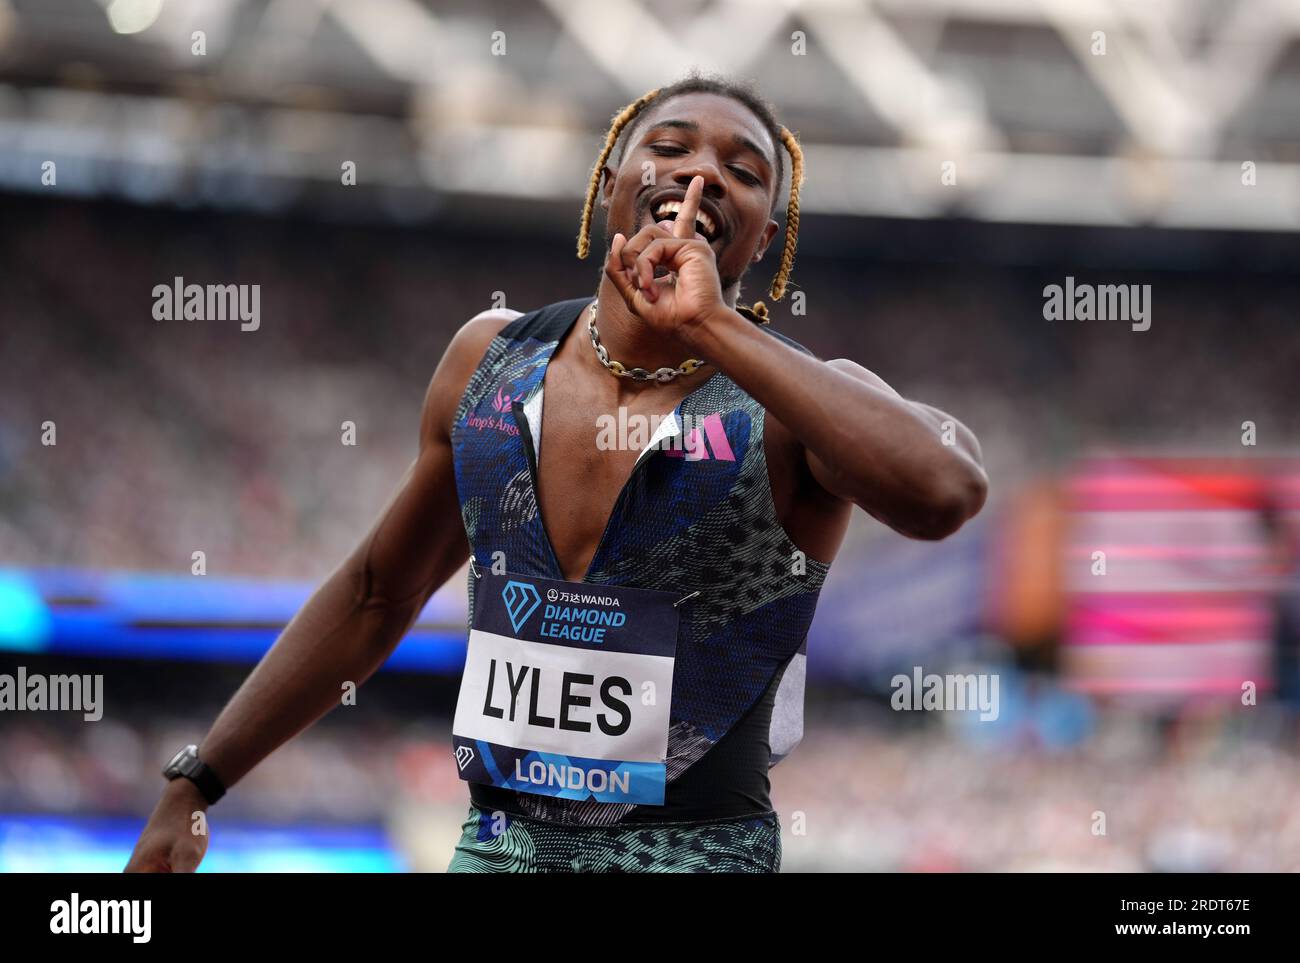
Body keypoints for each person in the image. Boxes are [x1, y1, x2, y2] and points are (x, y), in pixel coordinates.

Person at [125, 74, 987, 874]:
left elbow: (945, 490)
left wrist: (715, 330)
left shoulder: (794, 403)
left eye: (743, 170)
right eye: (672, 145)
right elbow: (376, 593)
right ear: (611, 180)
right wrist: (196, 780)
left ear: (765, 236)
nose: (702, 175)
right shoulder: (492, 363)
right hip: (497, 851)